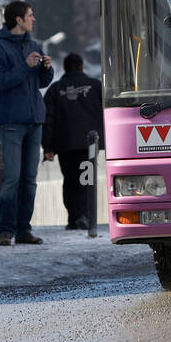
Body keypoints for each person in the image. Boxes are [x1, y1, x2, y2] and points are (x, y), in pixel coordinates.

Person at [0, 0, 53, 245]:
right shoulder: (0, 49)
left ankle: (24, 229)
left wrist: (46, 69)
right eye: (30, 15)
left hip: (34, 120)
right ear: (18, 19)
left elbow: (40, 82)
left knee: (29, 180)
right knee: (12, 179)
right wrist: (24, 66)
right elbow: (0, 82)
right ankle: (5, 231)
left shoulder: (34, 45)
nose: (33, 19)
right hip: (12, 122)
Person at [42, 53, 105, 229]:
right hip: (90, 146)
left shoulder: (55, 89)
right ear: (82, 66)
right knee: (87, 180)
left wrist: (48, 146)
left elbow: (47, 120)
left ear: (65, 67)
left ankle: (74, 218)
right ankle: (85, 216)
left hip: (65, 145)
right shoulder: (96, 86)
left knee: (70, 181)